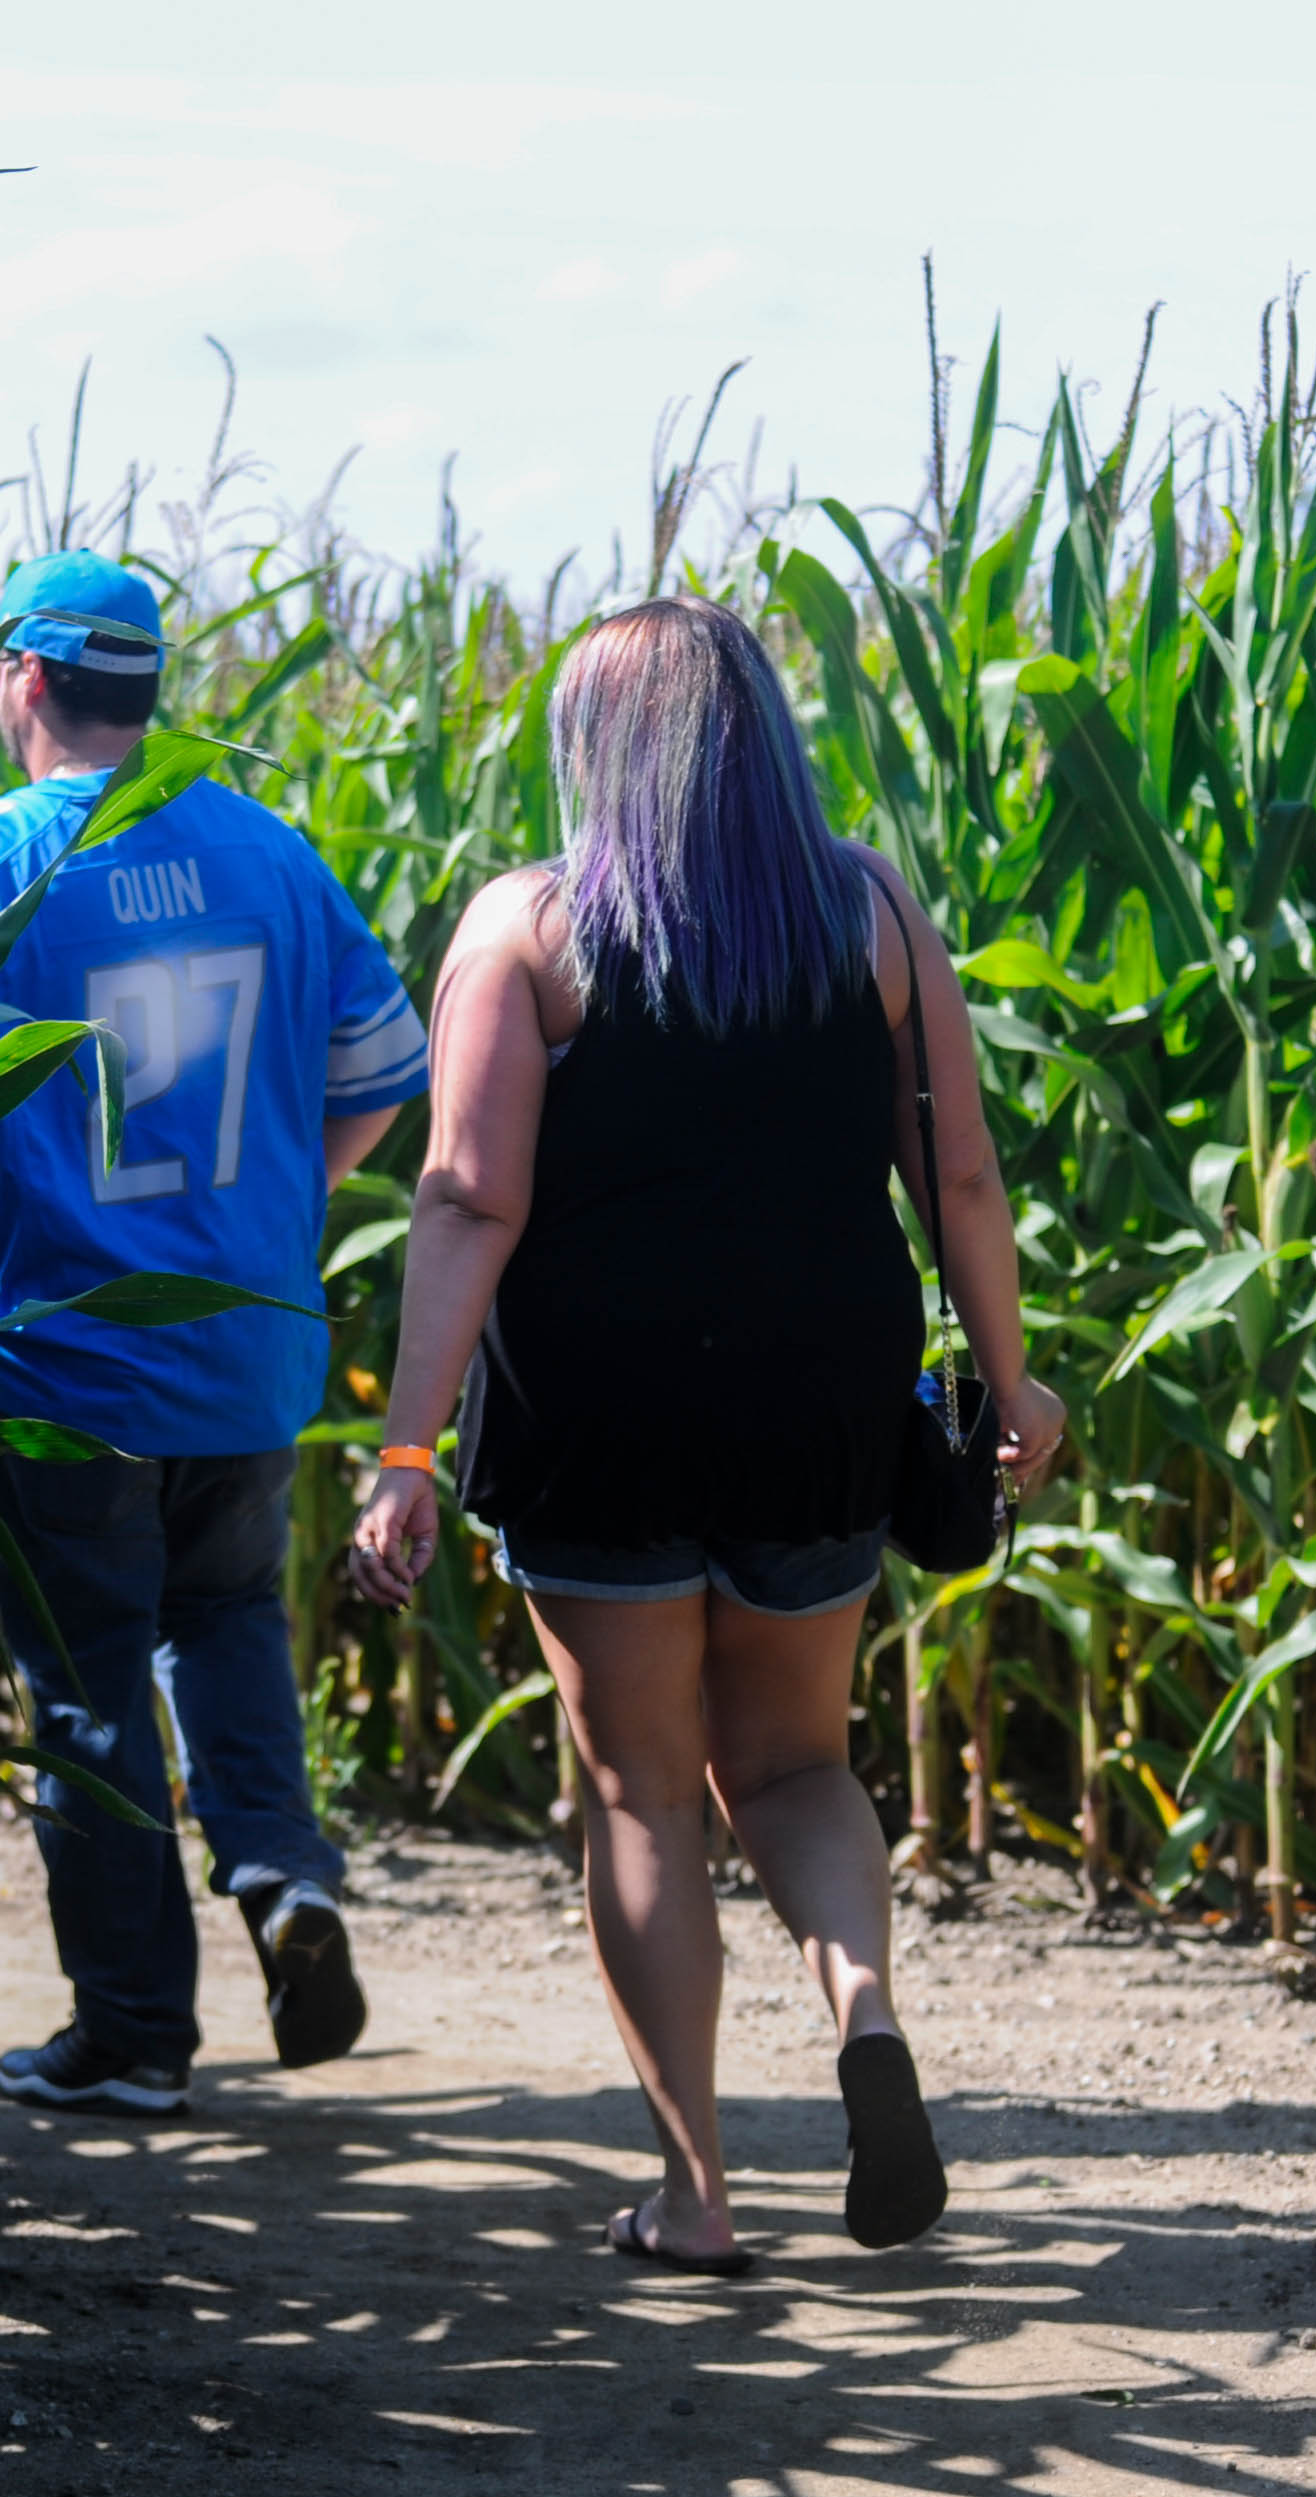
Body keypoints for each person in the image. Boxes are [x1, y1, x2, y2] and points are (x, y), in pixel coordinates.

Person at [341, 598, 1062, 2269]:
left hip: (601, 1417)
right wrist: (1010, 1384)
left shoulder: (527, 933)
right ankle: (864, 2012)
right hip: (821, 1405)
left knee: (645, 1792)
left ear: (596, 754)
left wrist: (406, 1451)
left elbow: (463, 1196)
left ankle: (699, 2199)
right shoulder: (871, 914)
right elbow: (958, 1176)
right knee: (799, 1762)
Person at [0, 551, 433, 2116]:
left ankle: (136, 2032)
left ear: (22, 682)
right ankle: (285, 1877)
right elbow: (379, 1071)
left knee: (87, 1679)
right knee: (225, 1627)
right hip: (245, 1353)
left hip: (60, 1366)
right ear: (149, 692)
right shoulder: (269, 853)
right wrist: (278, 1212)